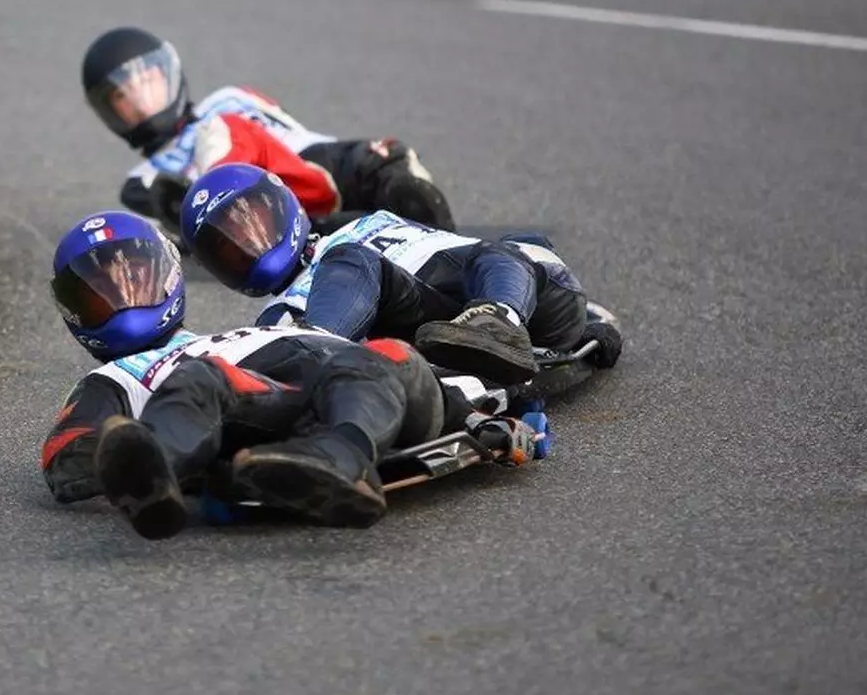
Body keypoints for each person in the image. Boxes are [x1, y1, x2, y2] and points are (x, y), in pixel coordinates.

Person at [44, 209, 540, 540]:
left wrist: (475, 420)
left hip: (362, 383)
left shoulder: (241, 334)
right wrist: (122, 455)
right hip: (259, 410)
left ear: (167, 276)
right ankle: (159, 477)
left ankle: (337, 458)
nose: (123, 298)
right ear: (73, 313)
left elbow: (425, 381)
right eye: (97, 294)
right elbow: (66, 452)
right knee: (200, 380)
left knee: (374, 355)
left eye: (135, 278)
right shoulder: (119, 377)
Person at [177, 163, 624, 387]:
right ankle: (324, 353)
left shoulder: (364, 223)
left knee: (508, 248)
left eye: (254, 222)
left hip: (513, 295)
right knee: (351, 262)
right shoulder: (282, 312)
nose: (250, 245)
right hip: (435, 335)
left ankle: (500, 323)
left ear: (283, 206)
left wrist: (590, 324)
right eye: (229, 249)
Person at [79, 26, 455, 240]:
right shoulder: (145, 180)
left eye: (147, 81)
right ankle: (320, 228)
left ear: (169, 73)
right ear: (110, 113)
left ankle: (449, 254)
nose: (142, 101)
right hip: (262, 209)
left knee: (391, 161)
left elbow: (294, 134)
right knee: (222, 134)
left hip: (319, 165)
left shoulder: (230, 97)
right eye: (122, 96)